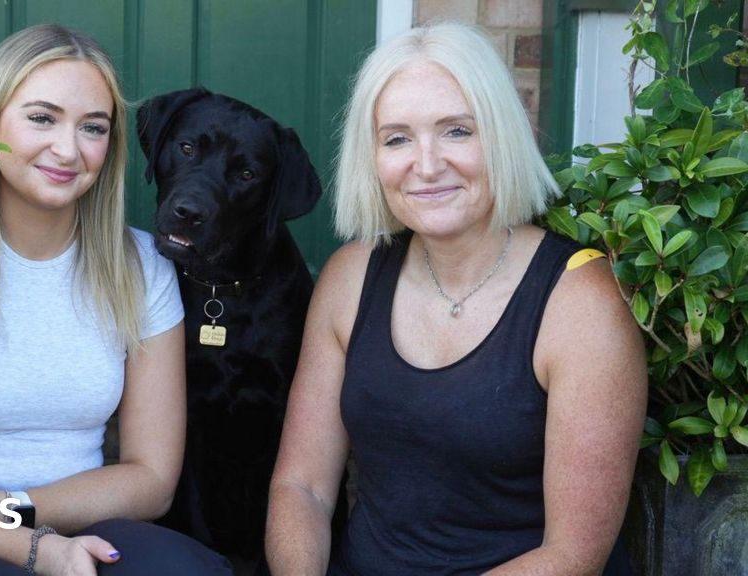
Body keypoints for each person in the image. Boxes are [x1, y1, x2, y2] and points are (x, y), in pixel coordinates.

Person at [265, 21, 646, 576]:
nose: (426, 164)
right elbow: (302, 487)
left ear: (501, 135)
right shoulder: (351, 277)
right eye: (397, 138)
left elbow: (572, 556)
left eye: (456, 131)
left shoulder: (580, 301)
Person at [0, 23, 232, 576]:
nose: (68, 149)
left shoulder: (141, 265)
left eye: (93, 128)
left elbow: (151, 479)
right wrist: (36, 549)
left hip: (79, 522)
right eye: (42, 118)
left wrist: (15, 509)